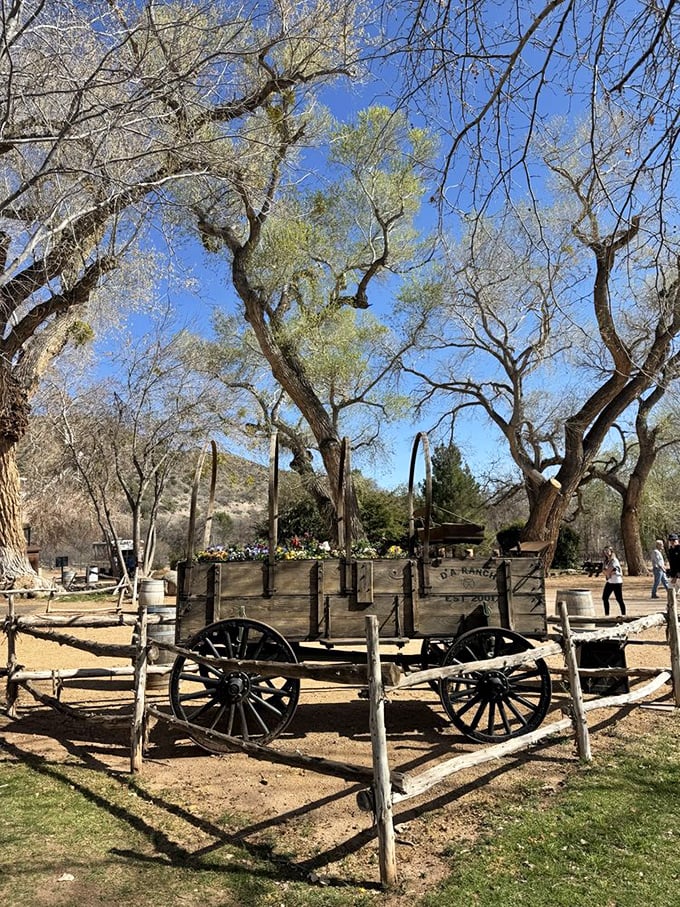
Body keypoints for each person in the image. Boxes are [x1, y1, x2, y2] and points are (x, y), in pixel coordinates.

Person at [601, 545, 626, 616]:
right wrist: (607, 573)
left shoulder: (614, 560)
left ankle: (623, 615)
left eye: (608, 551)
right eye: (605, 551)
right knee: (605, 598)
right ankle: (607, 614)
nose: (606, 552)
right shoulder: (606, 561)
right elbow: (604, 570)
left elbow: (611, 569)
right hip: (610, 581)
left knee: (619, 599)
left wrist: (608, 573)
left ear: (611, 551)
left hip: (617, 582)